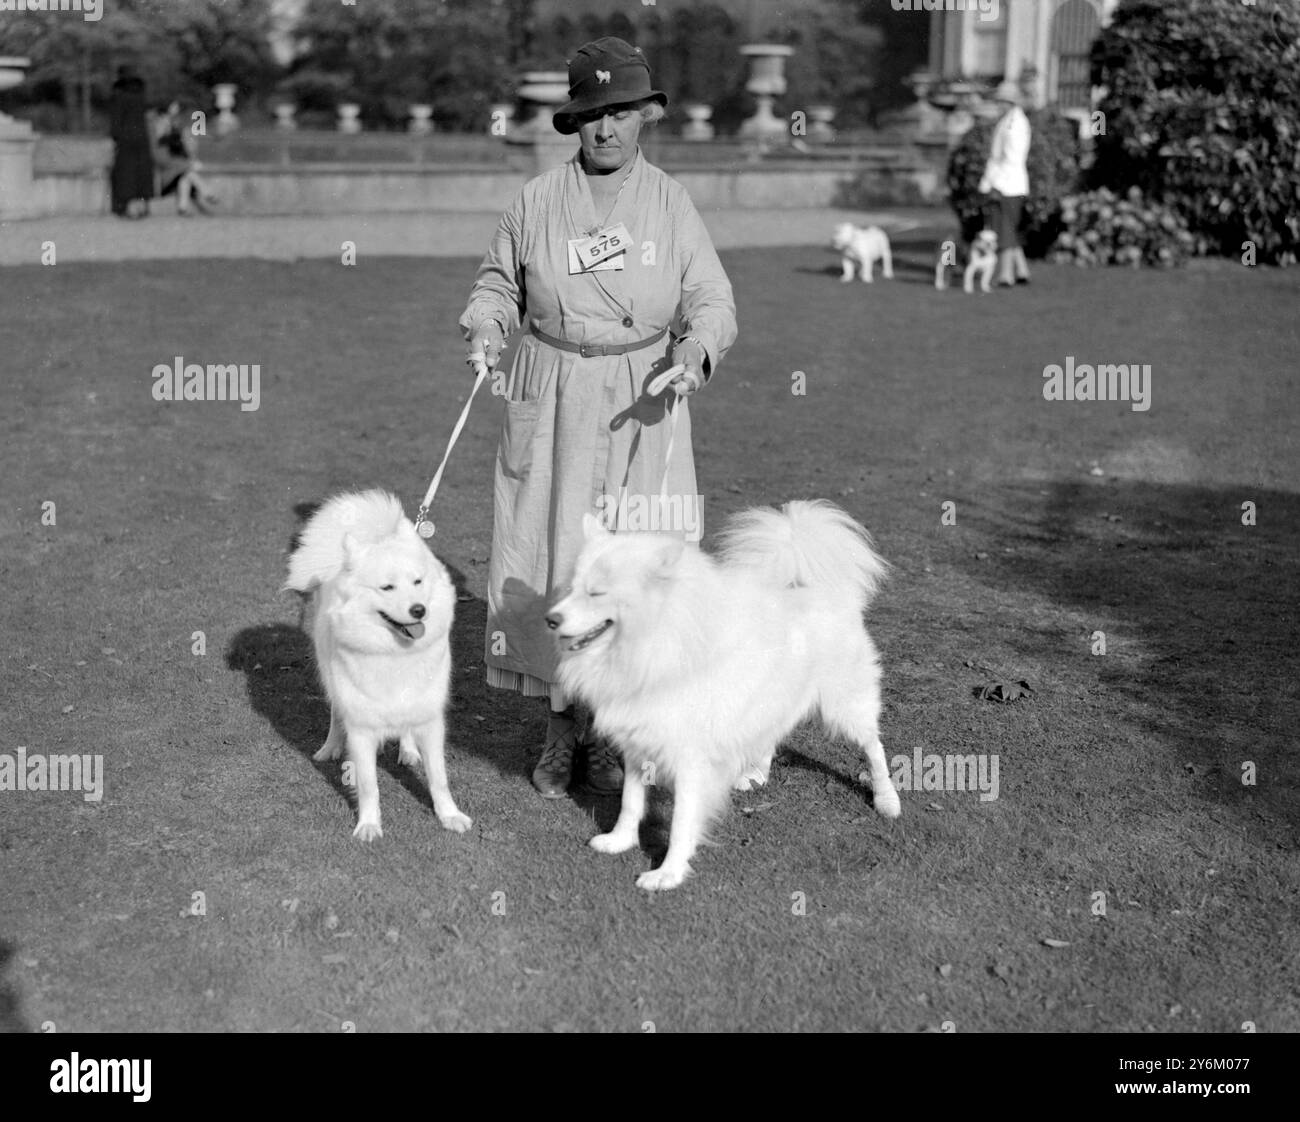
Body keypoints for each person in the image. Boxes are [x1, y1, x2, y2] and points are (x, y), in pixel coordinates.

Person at [459, 37, 737, 799]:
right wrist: (487, 326)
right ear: (573, 124)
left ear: (645, 115)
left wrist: (697, 345)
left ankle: (616, 732)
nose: (606, 130)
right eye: (590, 115)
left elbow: (712, 298)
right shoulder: (535, 203)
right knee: (553, 561)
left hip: (643, 397)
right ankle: (559, 729)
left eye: (619, 113)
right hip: (551, 393)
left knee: (638, 565)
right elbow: (495, 286)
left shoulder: (671, 204)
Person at [978, 80, 1031, 286]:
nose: (998, 104)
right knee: (1008, 228)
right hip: (1007, 182)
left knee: (1005, 230)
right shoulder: (1008, 120)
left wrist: (994, 183)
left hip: (1008, 184)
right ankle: (1022, 269)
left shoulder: (1014, 123)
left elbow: (1010, 158)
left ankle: (1006, 273)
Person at [155, 101, 218, 216]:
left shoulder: (171, 123)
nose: (176, 110)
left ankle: (183, 207)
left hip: (174, 166)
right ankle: (207, 192)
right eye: (173, 107)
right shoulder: (162, 123)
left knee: (186, 177)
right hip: (166, 166)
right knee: (188, 171)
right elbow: (161, 140)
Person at [108, 64, 154, 219]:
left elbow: (116, 121)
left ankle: (128, 207)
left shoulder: (119, 96)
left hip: (126, 139)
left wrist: (115, 137)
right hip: (142, 138)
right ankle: (142, 206)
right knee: (141, 172)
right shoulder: (141, 96)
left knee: (126, 174)